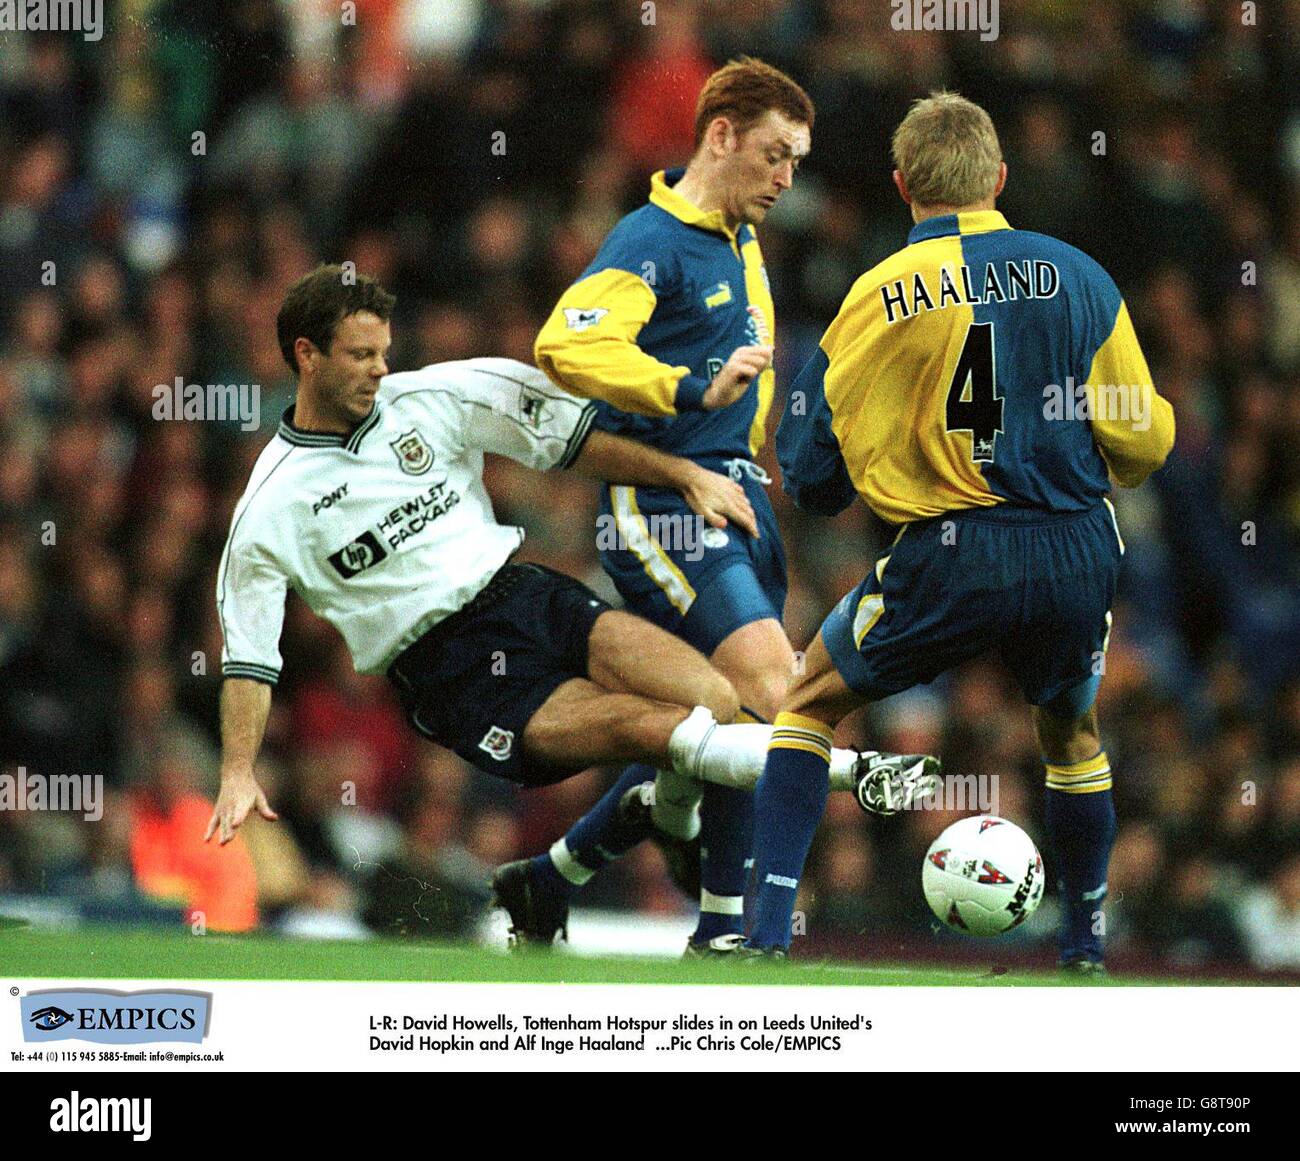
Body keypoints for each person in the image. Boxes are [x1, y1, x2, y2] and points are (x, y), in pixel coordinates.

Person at [206, 265, 932, 889]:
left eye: (383, 352)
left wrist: (681, 473)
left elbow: (576, 440)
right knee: (669, 729)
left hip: (526, 595)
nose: (379, 369)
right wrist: (239, 770)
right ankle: (859, 774)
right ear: (305, 355)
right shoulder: (273, 502)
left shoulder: (434, 398)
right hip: (449, 669)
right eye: (360, 354)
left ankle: (671, 819)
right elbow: (248, 653)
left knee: (714, 693)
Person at [505, 57, 936, 954]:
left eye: (798, 162)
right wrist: (686, 387)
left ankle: (562, 878)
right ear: (720, 135)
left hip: (739, 498)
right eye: (775, 155)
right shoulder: (649, 242)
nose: (787, 179)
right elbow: (563, 343)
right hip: (664, 505)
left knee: (733, 722)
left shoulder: (738, 239)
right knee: (782, 692)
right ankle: (776, 881)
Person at [739, 93, 1175, 971]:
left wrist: (846, 481)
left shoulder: (876, 294)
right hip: (1073, 545)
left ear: (903, 186)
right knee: (1070, 734)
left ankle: (765, 931)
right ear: (1000, 180)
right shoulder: (1080, 275)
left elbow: (812, 460)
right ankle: (1087, 943)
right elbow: (1143, 438)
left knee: (809, 701)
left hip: (951, 549)